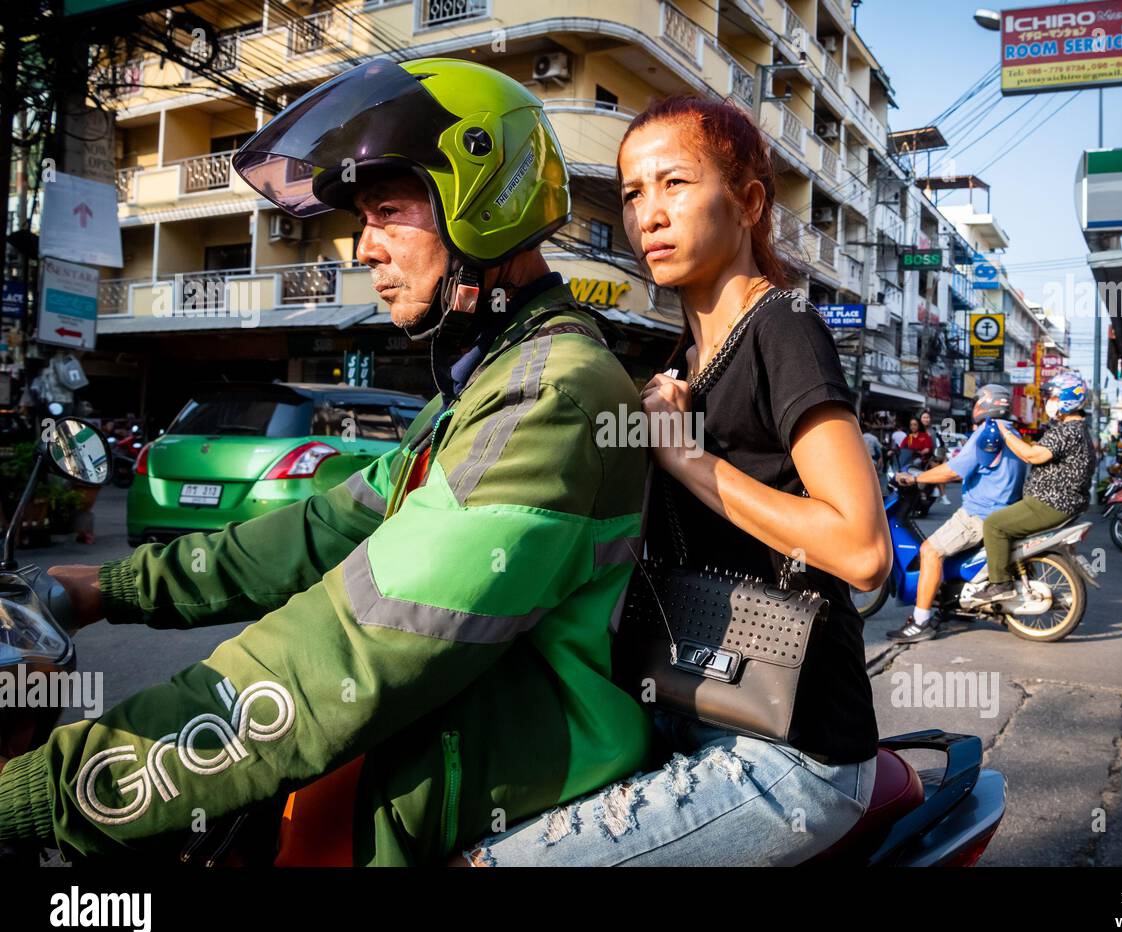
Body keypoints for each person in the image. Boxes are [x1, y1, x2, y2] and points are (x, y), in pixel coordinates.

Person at [0, 58, 652, 865]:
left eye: (386, 211)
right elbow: (324, 527)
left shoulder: (552, 394)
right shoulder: (482, 387)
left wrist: (56, 789)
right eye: (360, 221)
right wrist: (107, 587)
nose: (366, 248)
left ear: (482, 202)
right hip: (415, 771)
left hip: (504, 797)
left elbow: (359, 645)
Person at [459, 93, 891, 866]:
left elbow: (860, 548)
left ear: (748, 201)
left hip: (793, 751)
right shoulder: (678, 369)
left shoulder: (782, 326)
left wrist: (687, 459)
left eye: (675, 185)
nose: (647, 215)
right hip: (684, 712)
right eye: (631, 193)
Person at [886, 385, 1027, 643]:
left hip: (979, 513)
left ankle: (921, 621)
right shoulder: (1011, 432)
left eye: (976, 402)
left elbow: (954, 471)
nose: (974, 407)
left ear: (987, 403)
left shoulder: (988, 431)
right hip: (1003, 509)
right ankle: (953, 605)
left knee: (930, 551)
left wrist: (916, 478)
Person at [971, 371, 1097, 605]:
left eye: (1053, 397)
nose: (1049, 402)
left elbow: (1031, 455)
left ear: (1068, 398)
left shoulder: (1068, 431)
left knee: (994, 525)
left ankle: (1000, 584)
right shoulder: (1077, 430)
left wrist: (1004, 432)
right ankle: (1016, 575)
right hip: (1062, 502)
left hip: (1050, 504)